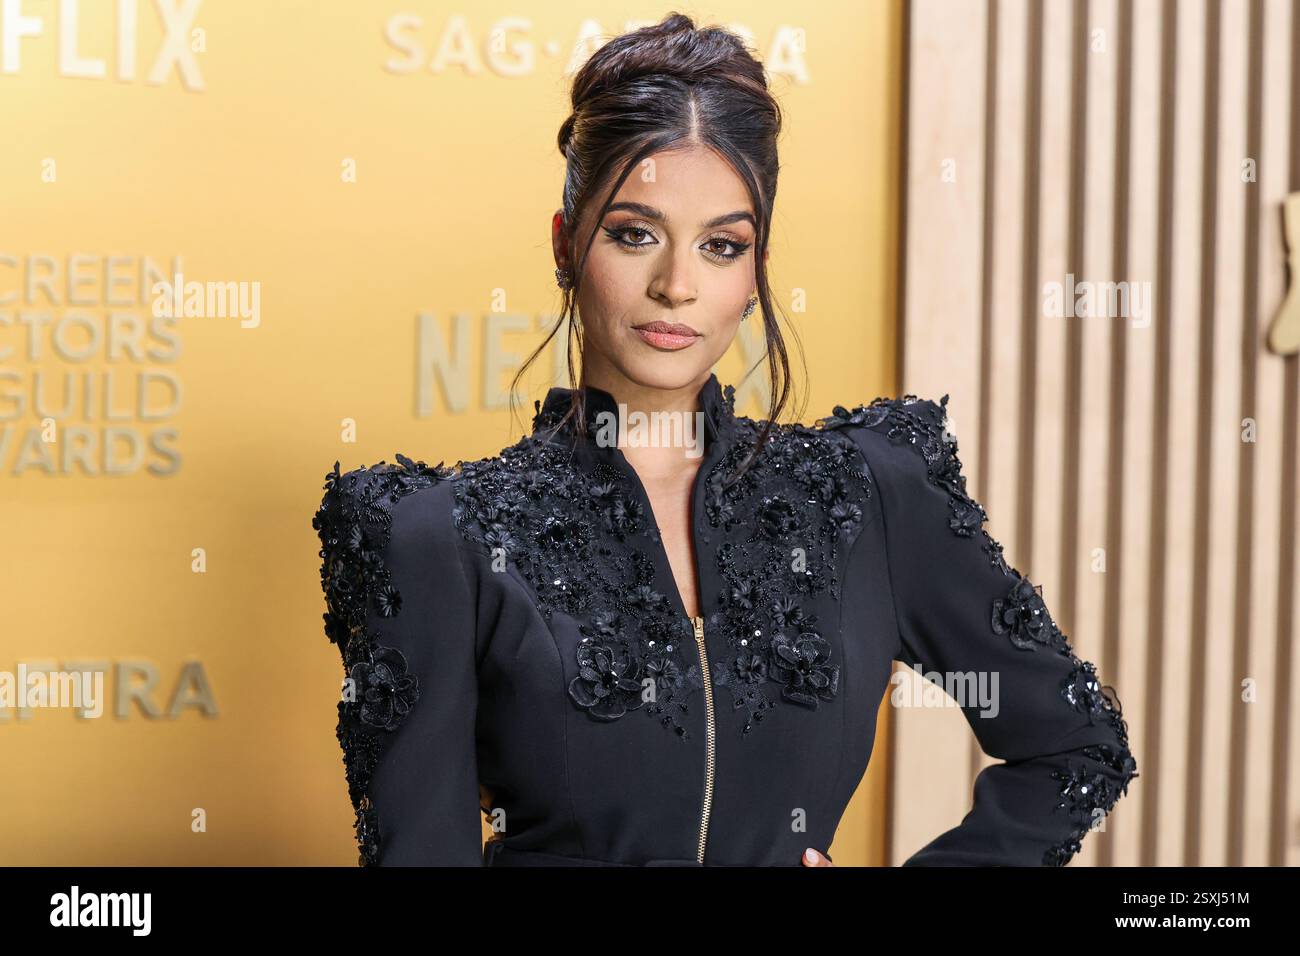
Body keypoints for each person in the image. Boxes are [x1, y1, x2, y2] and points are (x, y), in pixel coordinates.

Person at [311, 12, 1137, 867]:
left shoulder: (867, 496)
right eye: (635, 234)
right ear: (566, 246)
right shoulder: (438, 537)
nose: (676, 285)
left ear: (755, 273)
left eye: (721, 245)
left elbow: (1076, 745)